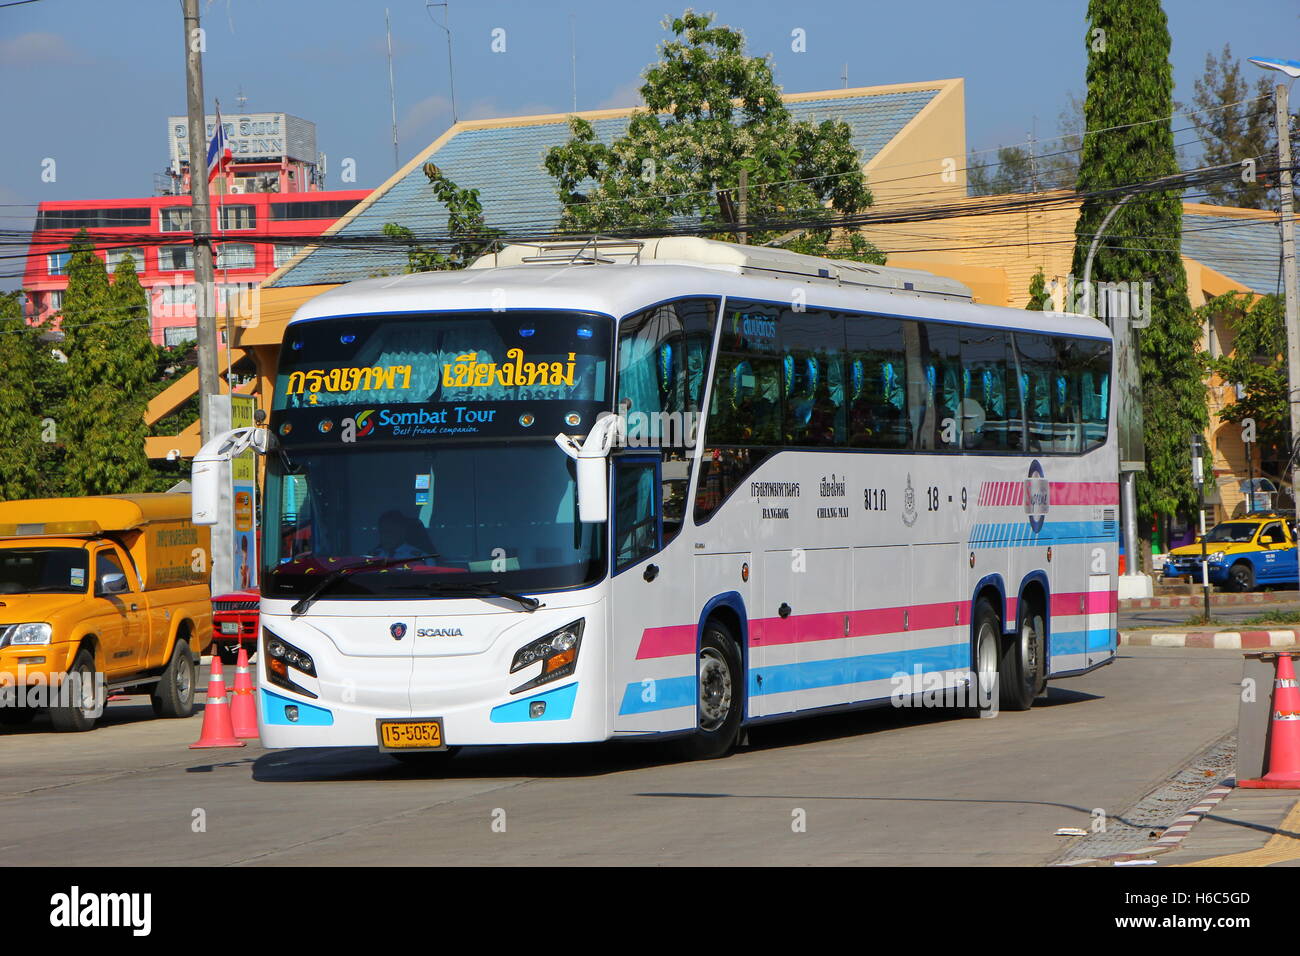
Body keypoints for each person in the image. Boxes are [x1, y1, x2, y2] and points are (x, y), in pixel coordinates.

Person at [371, 510, 436, 561]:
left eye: (390, 532)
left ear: (402, 532)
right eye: (382, 532)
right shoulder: (371, 557)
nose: (385, 536)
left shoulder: (421, 559)